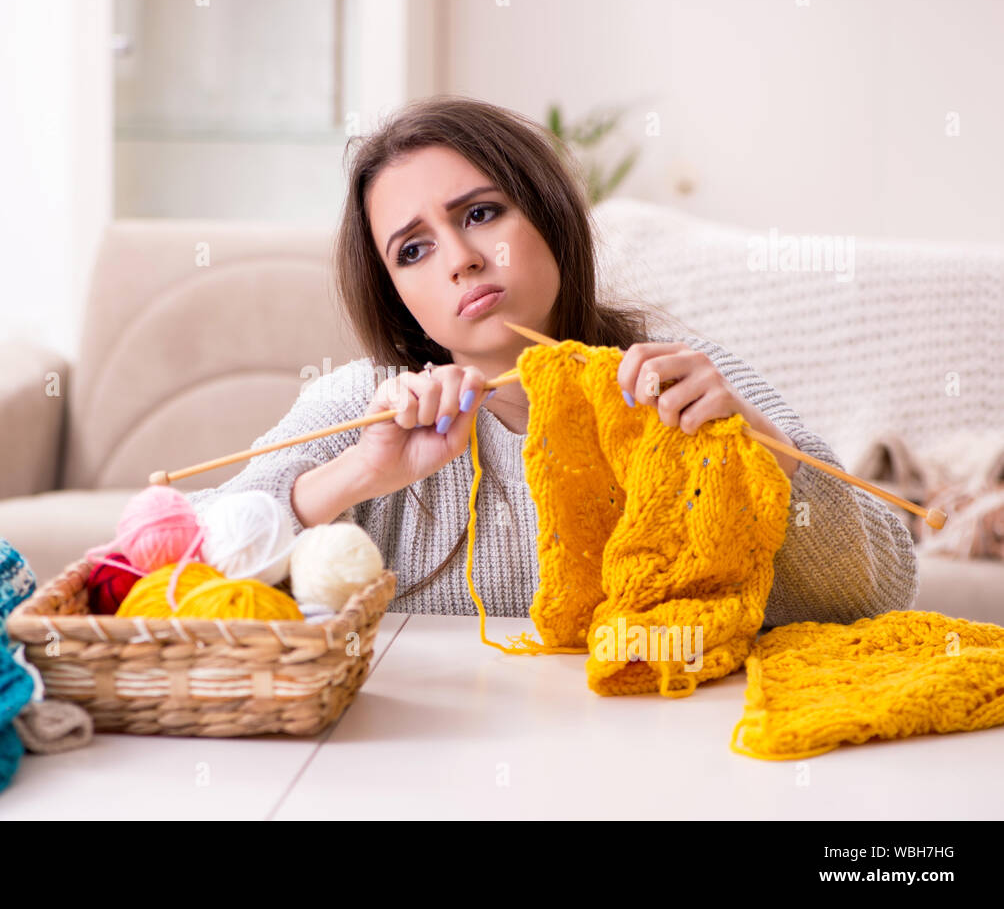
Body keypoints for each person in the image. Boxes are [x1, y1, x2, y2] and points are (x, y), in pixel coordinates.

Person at [185, 95, 918, 629]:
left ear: (549, 213)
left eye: (480, 213)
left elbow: (880, 588)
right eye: (414, 249)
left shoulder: (683, 382)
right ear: (397, 294)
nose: (463, 258)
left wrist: (766, 453)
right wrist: (359, 476)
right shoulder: (367, 404)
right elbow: (181, 566)